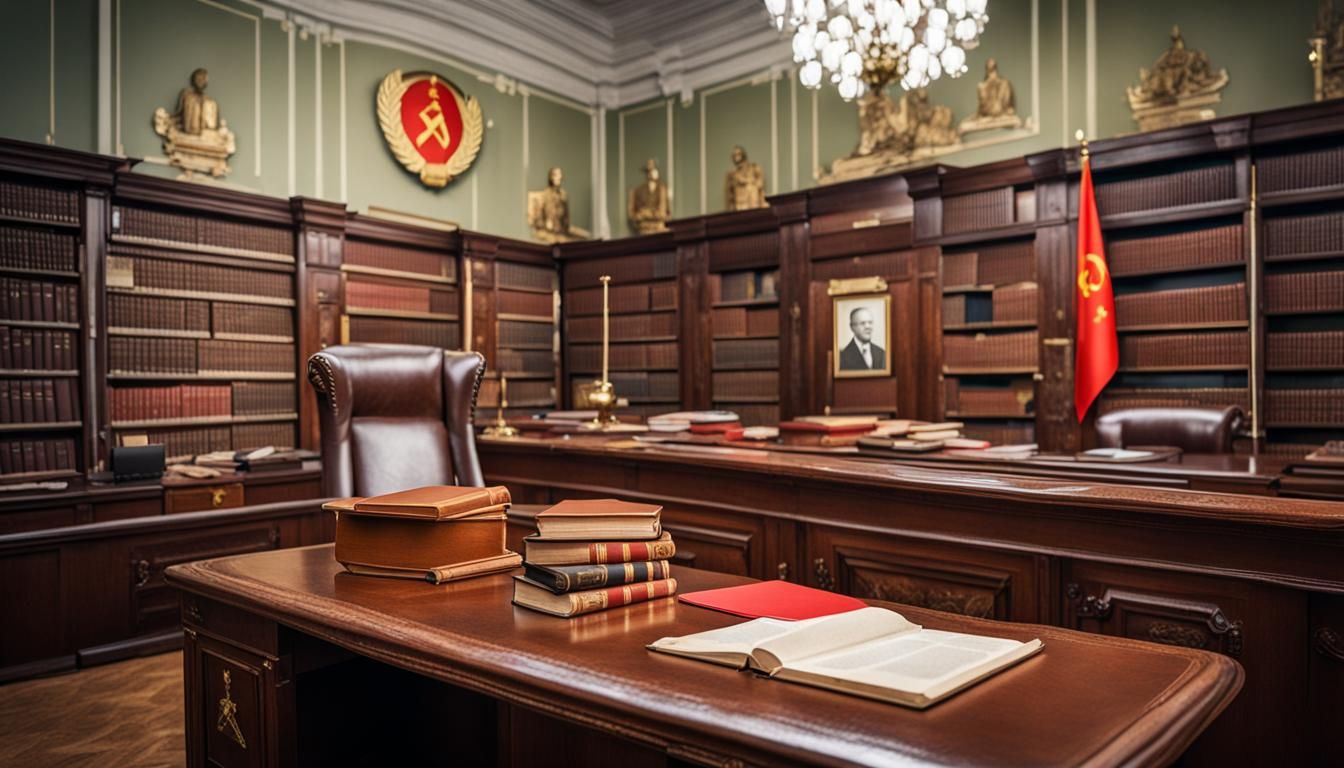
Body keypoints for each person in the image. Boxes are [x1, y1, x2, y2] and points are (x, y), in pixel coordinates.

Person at [838, 306, 886, 371]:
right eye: (862, 323)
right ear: (852, 327)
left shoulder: (882, 353)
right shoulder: (842, 356)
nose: (868, 326)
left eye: (870, 322)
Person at [175, 68, 219, 135]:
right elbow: (178, 113)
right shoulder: (187, 95)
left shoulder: (211, 102)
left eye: (203, 79)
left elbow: (214, 124)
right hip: (190, 131)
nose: (201, 81)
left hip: (206, 135)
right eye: (199, 79)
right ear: (194, 80)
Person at [724, 145, 766, 211]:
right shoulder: (732, 175)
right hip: (739, 206)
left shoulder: (754, 168)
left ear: (743, 155)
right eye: (734, 155)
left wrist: (746, 181)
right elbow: (730, 196)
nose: (736, 156)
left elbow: (760, 184)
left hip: (753, 203)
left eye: (738, 154)